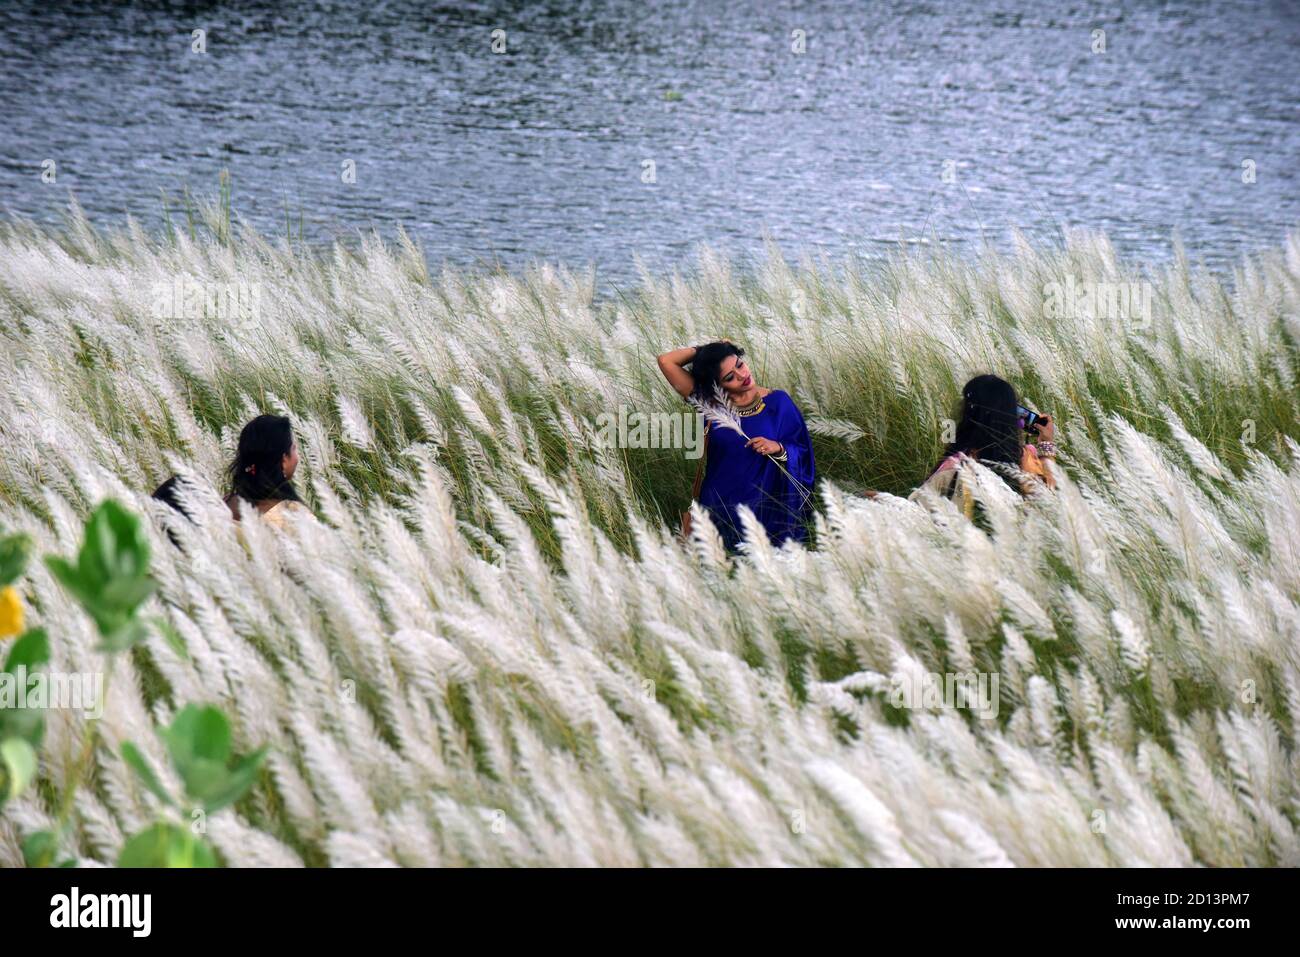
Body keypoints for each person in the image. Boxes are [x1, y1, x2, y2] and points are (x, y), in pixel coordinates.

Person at [657, 340, 815, 550]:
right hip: (720, 510)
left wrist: (778, 448)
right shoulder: (709, 403)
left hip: (767, 512)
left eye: (739, 365)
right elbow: (666, 361)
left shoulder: (779, 402)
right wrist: (707, 350)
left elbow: (803, 451)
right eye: (730, 377)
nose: (742, 375)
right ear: (717, 385)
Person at [913, 374, 1057, 518]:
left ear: (969, 416)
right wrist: (1046, 445)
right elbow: (1048, 501)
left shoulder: (956, 465)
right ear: (1012, 417)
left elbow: (915, 512)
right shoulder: (1026, 460)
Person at [224, 414, 310, 529]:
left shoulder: (224, 504)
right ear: (284, 459)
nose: (296, 457)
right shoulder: (293, 513)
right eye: (294, 449)